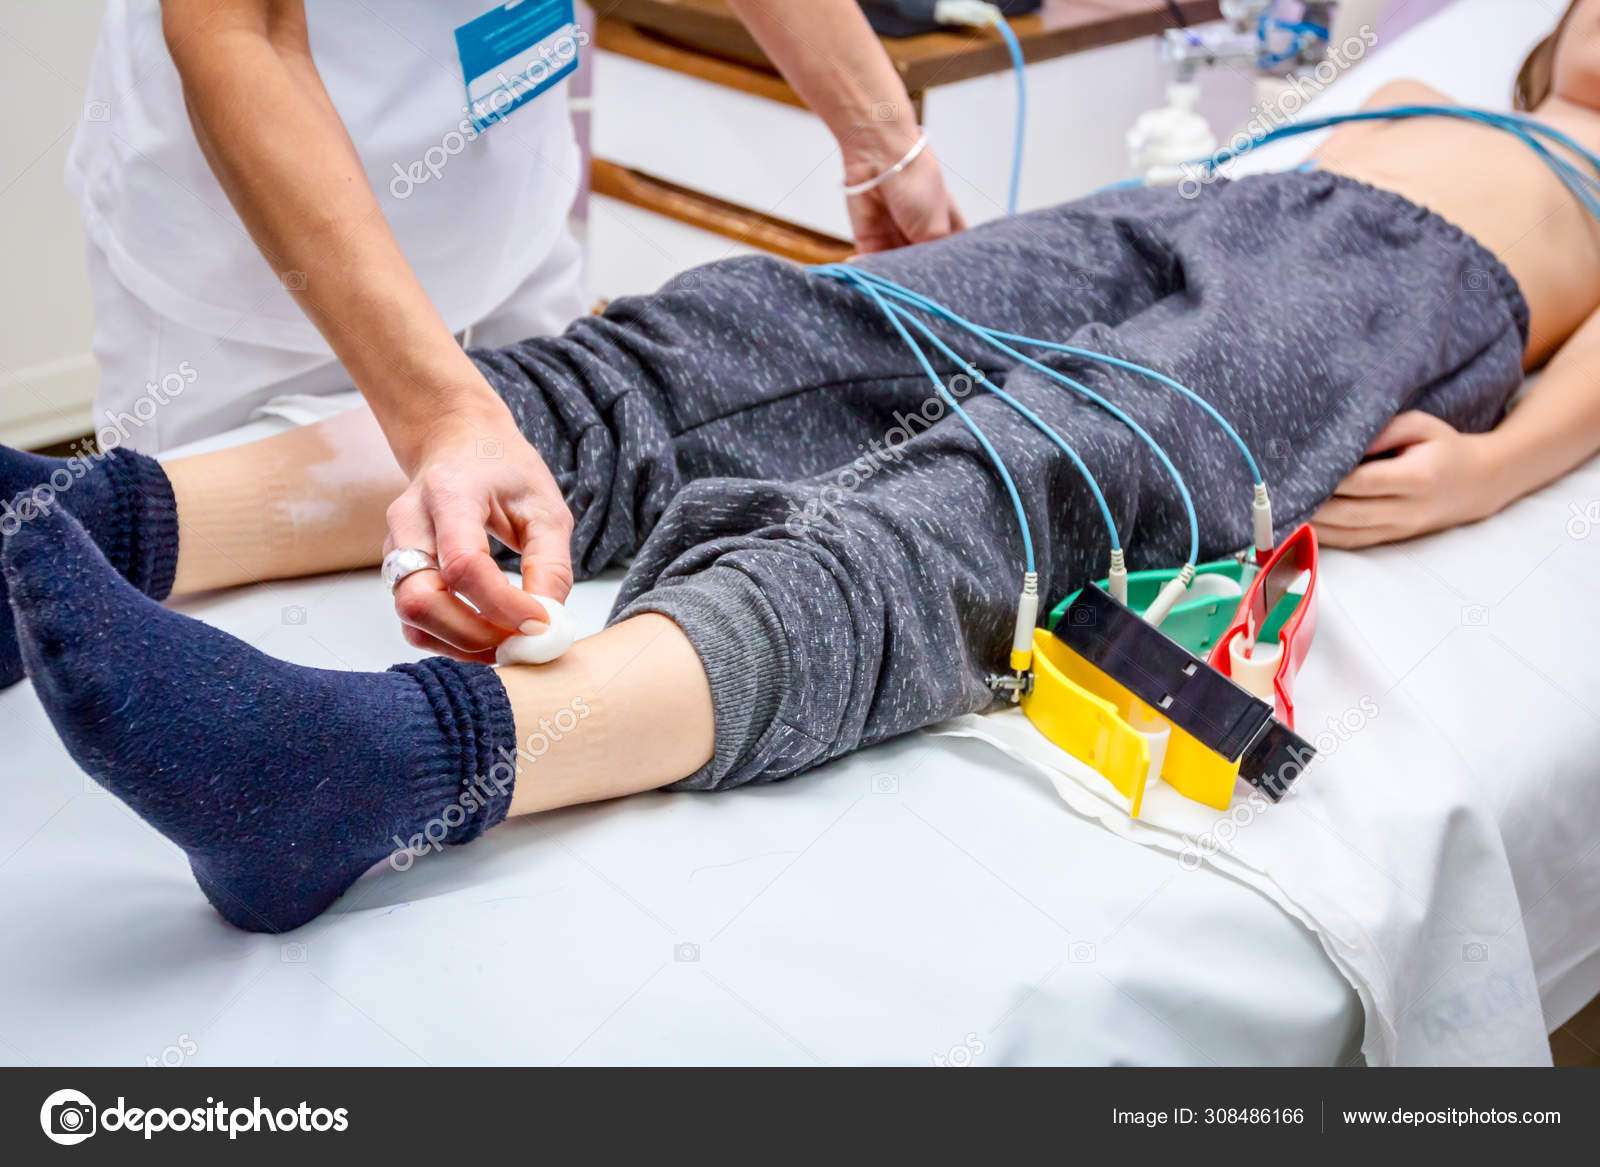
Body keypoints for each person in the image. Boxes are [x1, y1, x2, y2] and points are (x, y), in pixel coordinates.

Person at [6, 3, 1598, 933]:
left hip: (1414, 293)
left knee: (1042, 465)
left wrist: (1502, 464)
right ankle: (87, 517)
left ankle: (388, 763)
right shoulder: (1430, 80)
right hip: (1208, 211)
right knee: (768, 330)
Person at [70, 0, 966, 658]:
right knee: (204, 611)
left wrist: (884, 139)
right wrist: (444, 416)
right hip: (259, 254)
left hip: (505, 166)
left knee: (555, 544)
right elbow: (242, 31)